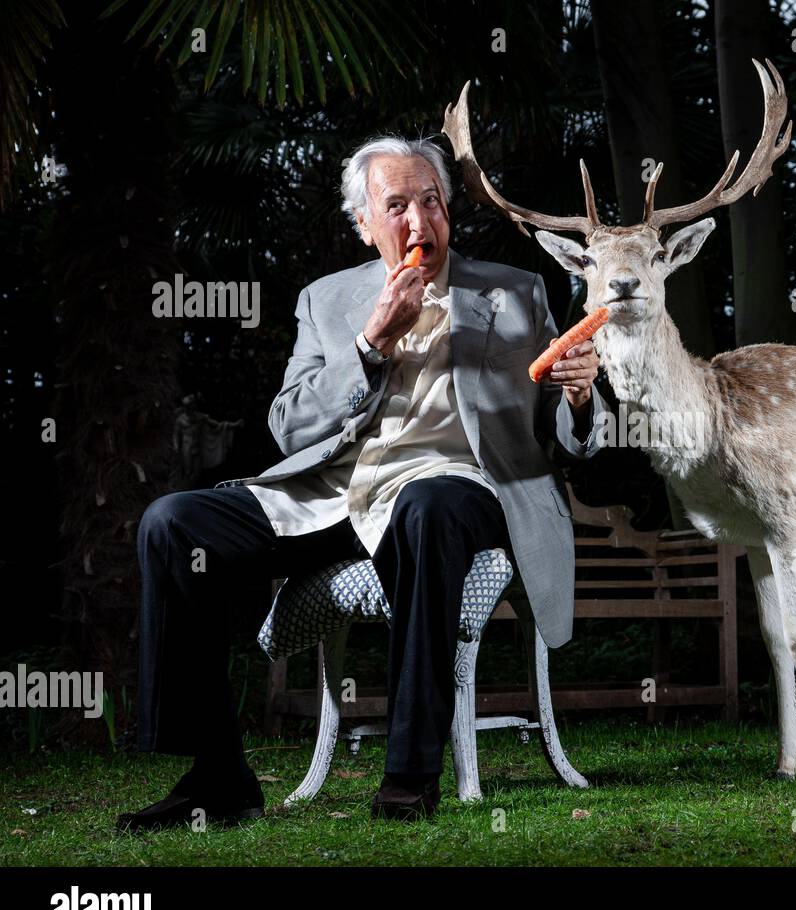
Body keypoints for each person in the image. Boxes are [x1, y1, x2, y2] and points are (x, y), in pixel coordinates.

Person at [119, 136, 608, 828]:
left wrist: (582, 397)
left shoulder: (514, 291)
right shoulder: (329, 300)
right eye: (397, 206)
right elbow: (290, 428)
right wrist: (369, 345)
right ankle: (216, 775)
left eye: (431, 203)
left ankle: (410, 775)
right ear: (365, 224)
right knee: (171, 522)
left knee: (427, 503)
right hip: (333, 494)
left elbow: (565, 436)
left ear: (448, 212)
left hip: (462, 485)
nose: (418, 223)